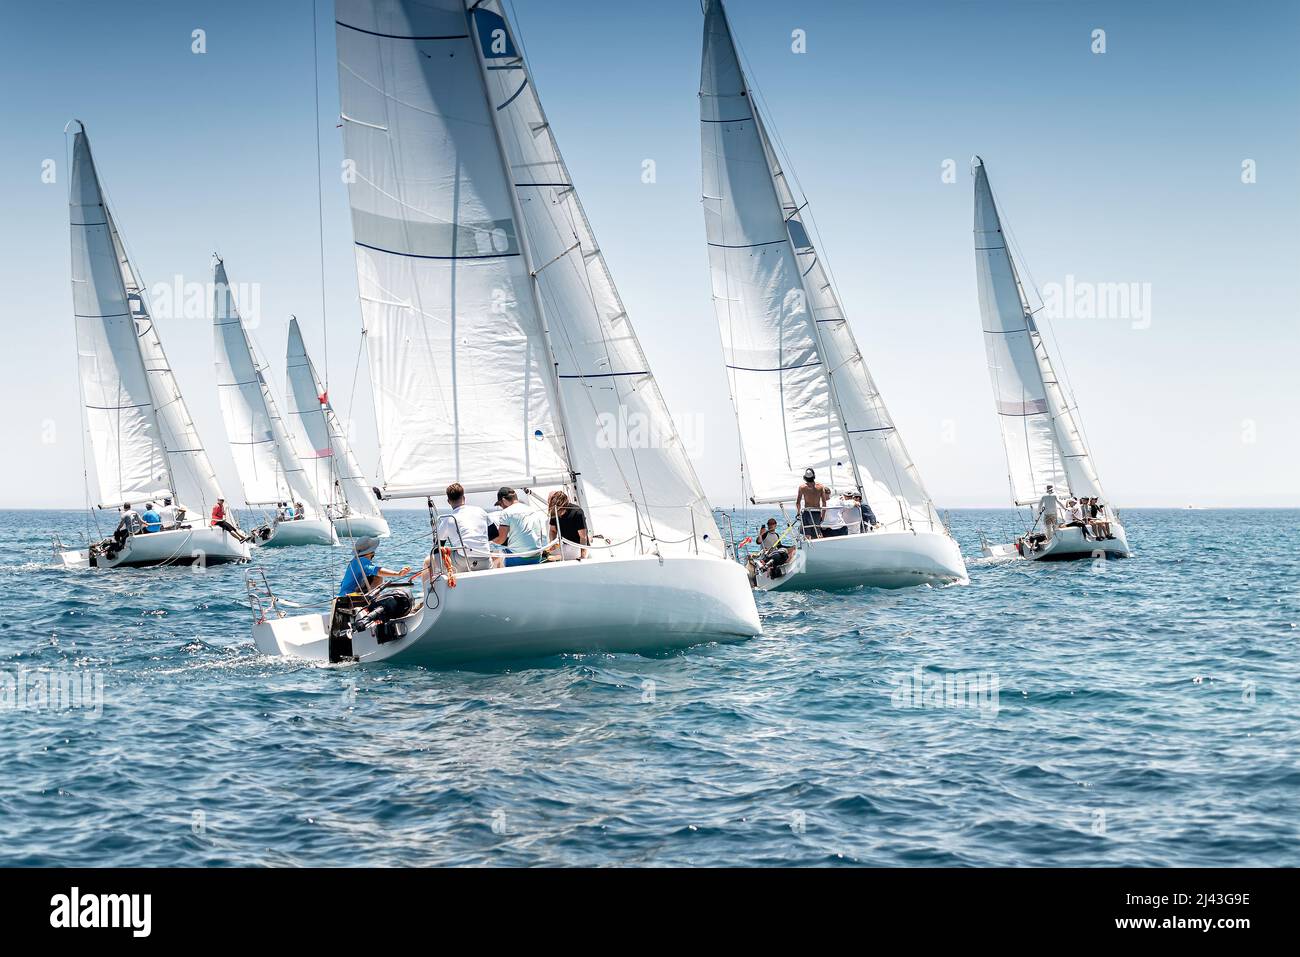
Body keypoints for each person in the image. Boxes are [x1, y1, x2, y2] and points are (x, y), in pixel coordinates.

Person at [435, 482, 496, 572]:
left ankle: (438, 584)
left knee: (430, 559)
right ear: (464, 497)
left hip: (463, 561)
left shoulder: (447, 519)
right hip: (485, 560)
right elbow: (494, 534)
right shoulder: (480, 511)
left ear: (448, 501)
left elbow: (438, 547)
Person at [492, 487, 548, 567]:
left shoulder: (506, 513)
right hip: (536, 556)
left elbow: (500, 540)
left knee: (496, 549)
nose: (501, 507)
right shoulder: (532, 510)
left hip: (518, 558)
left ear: (504, 500)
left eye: (500, 504)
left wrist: (491, 538)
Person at [337, 537, 411, 597]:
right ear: (371, 552)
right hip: (349, 598)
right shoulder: (362, 561)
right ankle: (374, 600)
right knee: (378, 576)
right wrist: (397, 574)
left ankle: (373, 599)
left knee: (374, 577)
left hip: (342, 596)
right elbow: (377, 570)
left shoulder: (354, 561)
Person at [544, 490, 589, 561]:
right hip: (565, 545)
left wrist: (583, 556)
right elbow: (552, 530)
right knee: (544, 553)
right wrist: (552, 544)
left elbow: (583, 537)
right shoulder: (554, 511)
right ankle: (558, 556)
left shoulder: (577, 512)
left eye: (559, 510)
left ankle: (559, 557)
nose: (557, 512)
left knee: (550, 558)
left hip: (577, 547)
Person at [795, 468, 830, 538]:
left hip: (807, 512)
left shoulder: (802, 487)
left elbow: (798, 503)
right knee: (817, 532)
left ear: (805, 478)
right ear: (814, 476)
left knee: (807, 534)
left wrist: (798, 513)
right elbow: (824, 503)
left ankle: (809, 547)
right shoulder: (820, 487)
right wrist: (822, 517)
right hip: (816, 513)